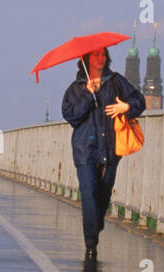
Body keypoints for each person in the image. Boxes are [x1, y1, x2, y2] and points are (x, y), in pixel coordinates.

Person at [61, 47, 145, 258]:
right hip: (85, 151)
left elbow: (140, 101)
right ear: (86, 58)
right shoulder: (76, 88)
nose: (101, 58)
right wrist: (88, 95)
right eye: (96, 54)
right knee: (88, 192)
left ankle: (95, 224)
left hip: (110, 148)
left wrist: (126, 107)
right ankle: (91, 244)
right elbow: (71, 116)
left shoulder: (115, 81)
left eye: (103, 54)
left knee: (103, 195)